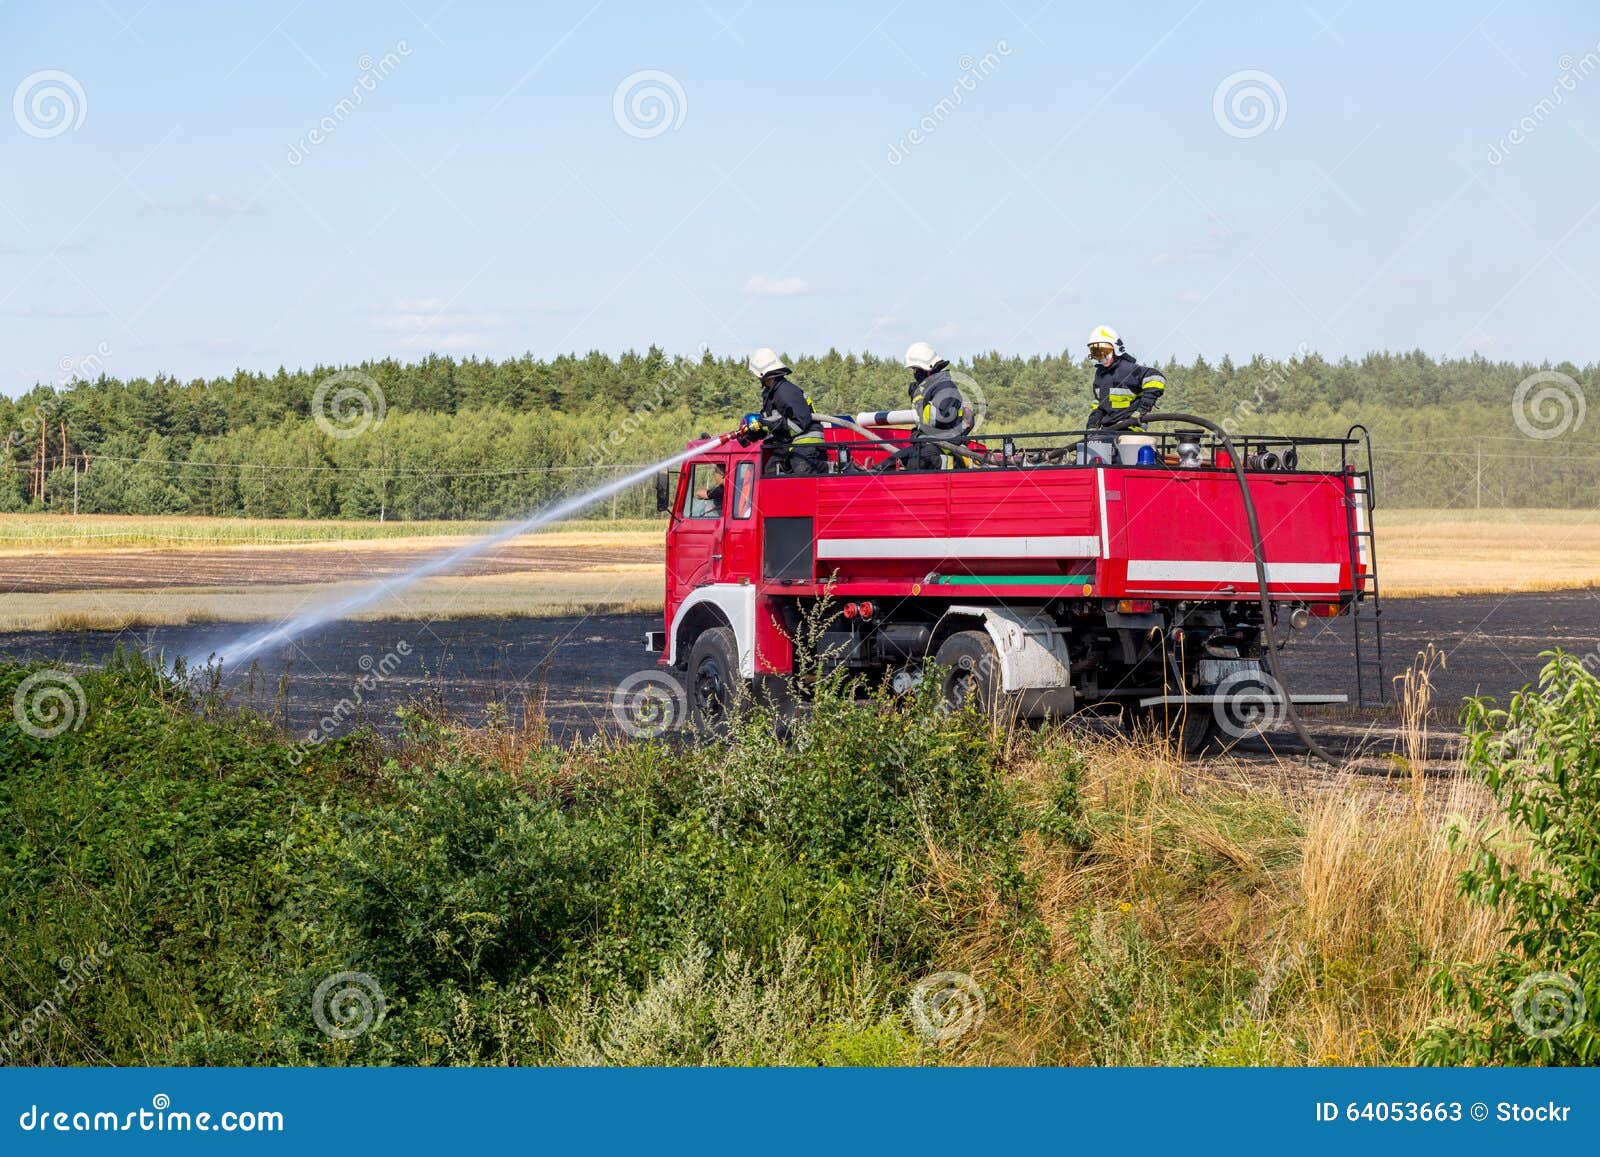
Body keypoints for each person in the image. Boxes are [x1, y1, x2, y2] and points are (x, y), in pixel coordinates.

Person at [740, 348, 825, 474]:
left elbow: (800, 423)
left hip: (806, 439)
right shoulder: (771, 393)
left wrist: (767, 424)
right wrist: (755, 431)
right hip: (789, 440)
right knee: (771, 471)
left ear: (762, 373)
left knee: (802, 467)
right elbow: (771, 421)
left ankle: (831, 467)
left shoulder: (785, 392)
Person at [903, 341, 975, 470]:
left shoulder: (946, 388)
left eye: (916, 369)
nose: (915, 373)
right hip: (930, 444)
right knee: (899, 457)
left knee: (917, 462)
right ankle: (872, 470)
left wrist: (920, 399)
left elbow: (937, 421)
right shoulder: (931, 387)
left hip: (946, 445)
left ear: (928, 369)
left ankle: (957, 464)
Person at [1085, 324, 1166, 436]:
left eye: (1104, 351)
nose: (1101, 357)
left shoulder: (1128, 369)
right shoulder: (1100, 375)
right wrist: (1092, 424)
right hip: (1108, 430)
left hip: (1131, 431)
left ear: (1116, 348)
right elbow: (1100, 405)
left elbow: (1157, 378)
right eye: (1096, 353)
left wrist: (1141, 410)